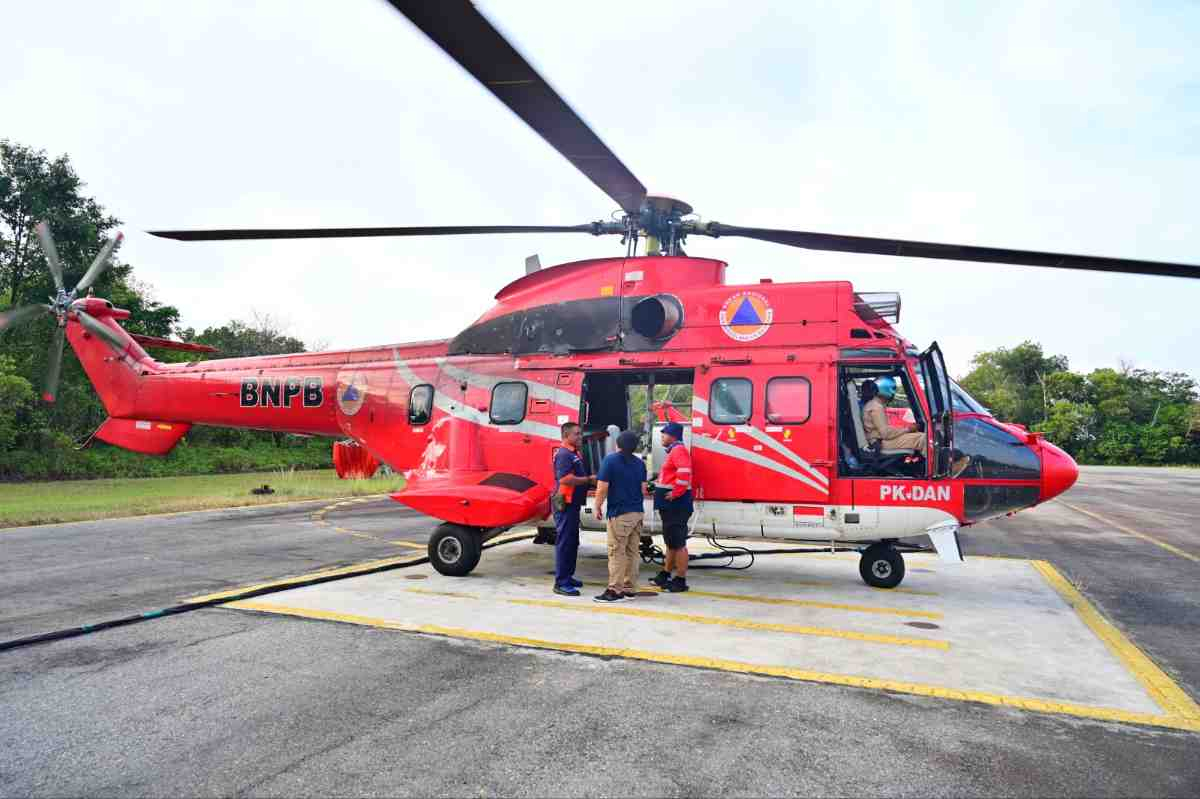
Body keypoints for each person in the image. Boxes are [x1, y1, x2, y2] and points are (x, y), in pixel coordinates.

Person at [862, 377, 970, 476]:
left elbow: (884, 430)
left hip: (879, 441)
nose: (893, 393)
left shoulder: (873, 405)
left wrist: (907, 430)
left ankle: (934, 466)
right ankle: (939, 471)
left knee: (919, 435)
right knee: (924, 438)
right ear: (886, 390)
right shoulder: (876, 407)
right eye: (893, 389)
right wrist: (908, 429)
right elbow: (886, 433)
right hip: (881, 443)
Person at [592, 430, 648, 603]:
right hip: (637, 513)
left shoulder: (610, 460)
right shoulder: (640, 463)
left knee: (616, 552)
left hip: (620, 513)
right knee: (632, 552)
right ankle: (629, 587)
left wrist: (597, 506)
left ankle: (614, 591)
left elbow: (602, 488)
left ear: (618, 444)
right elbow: (643, 489)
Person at [551, 422, 595, 596]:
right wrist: (588, 480)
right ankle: (561, 583)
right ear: (566, 435)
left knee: (572, 542)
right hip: (565, 504)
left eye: (579, 433)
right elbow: (565, 479)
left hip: (573, 504)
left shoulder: (573, 453)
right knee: (565, 543)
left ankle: (568, 576)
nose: (579, 437)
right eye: (576, 434)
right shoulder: (564, 454)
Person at [651, 421, 693, 593]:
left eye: (664, 434)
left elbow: (685, 473)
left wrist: (675, 493)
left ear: (672, 436)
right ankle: (666, 574)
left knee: (678, 543)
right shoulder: (674, 451)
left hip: (676, 505)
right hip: (670, 505)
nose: (661, 436)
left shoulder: (678, 451)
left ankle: (680, 579)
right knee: (671, 542)